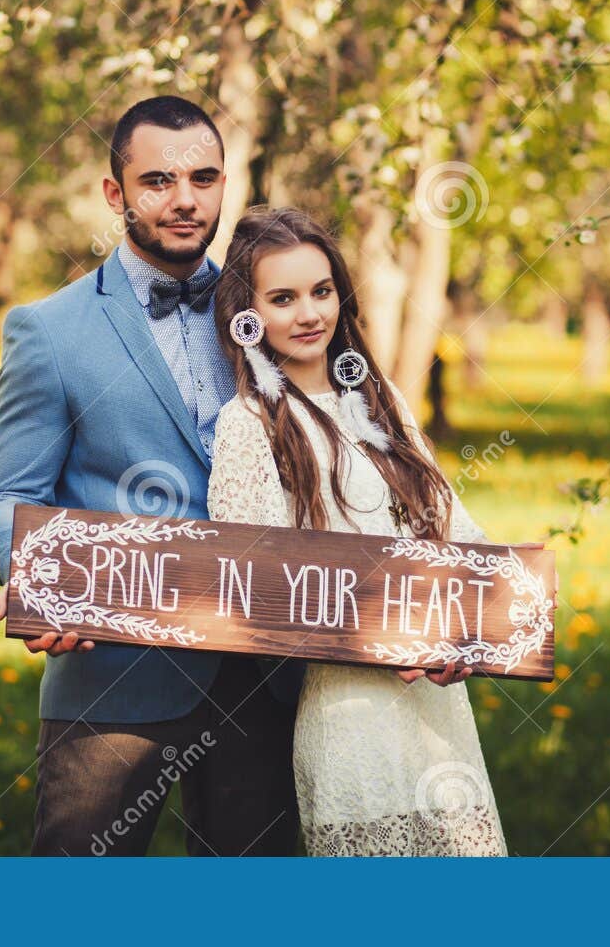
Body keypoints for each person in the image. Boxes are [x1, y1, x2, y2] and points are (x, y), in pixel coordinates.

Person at [0, 96, 303, 856]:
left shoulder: (278, 316)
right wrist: (38, 581)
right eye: (157, 180)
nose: (185, 199)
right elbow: (8, 495)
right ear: (114, 193)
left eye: (204, 177)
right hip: (113, 673)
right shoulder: (50, 330)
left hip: (260, 673)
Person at [207, 206, 508, 856]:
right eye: (283, 298)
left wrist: (505, 599)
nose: (309, 312)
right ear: (248, 314)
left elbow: (452, 525)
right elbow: (256, 593)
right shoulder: (248, 424)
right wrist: (381, 638)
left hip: (435, 705)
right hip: (349, 711)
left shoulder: (382, 398)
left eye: (321, 290)